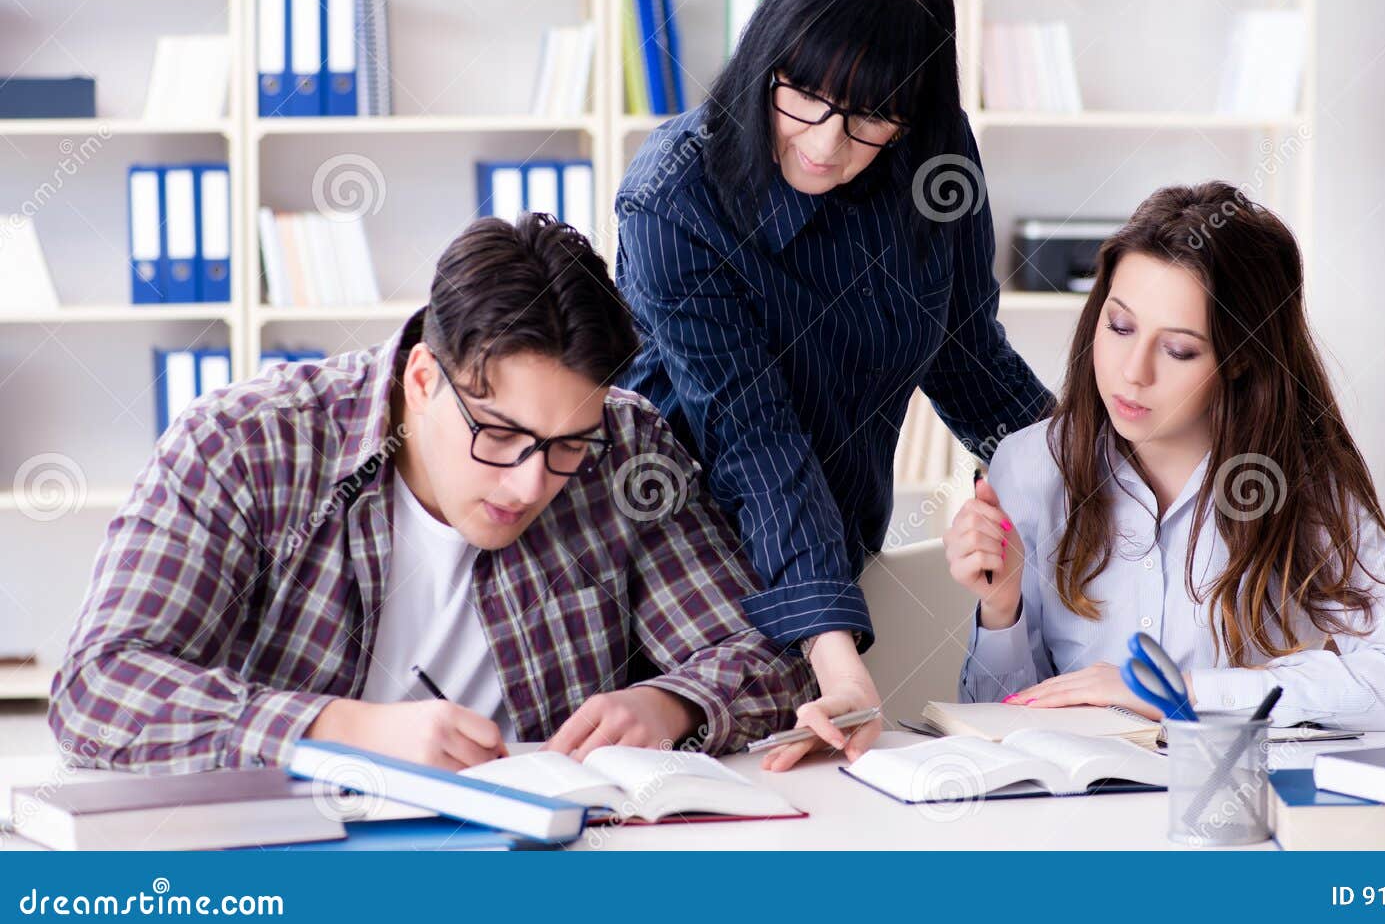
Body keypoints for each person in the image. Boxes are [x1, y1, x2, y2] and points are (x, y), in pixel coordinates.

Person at [49, 214, 814, 773]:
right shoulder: (246, 444)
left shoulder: (624, 447)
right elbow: (98, 691)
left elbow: (765, 658)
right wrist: (341, 729)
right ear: (422, 379)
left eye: (565, 446)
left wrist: (671, 705)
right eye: (499, 435)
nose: (529, 483)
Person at [615, 0, 1053, 769]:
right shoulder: (674, 197)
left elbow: (969, 359)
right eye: (805, 96)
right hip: (675, 564)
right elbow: (756, 445)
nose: (825, 142)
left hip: (831, 560)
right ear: (765, 58)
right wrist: (837, 655)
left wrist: (1103, 483)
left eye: (870, 116)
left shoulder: (934, 154)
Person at [945, 182, 1385, 731]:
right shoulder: (1030, 464)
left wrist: (1178, 694)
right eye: (1120, 327)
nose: (1133, 371)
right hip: (1077, 804)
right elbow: (999, 723)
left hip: (1236, 794)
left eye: (1179, 349)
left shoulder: (1297, 479)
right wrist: (1002, 611)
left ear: (1239, 359)